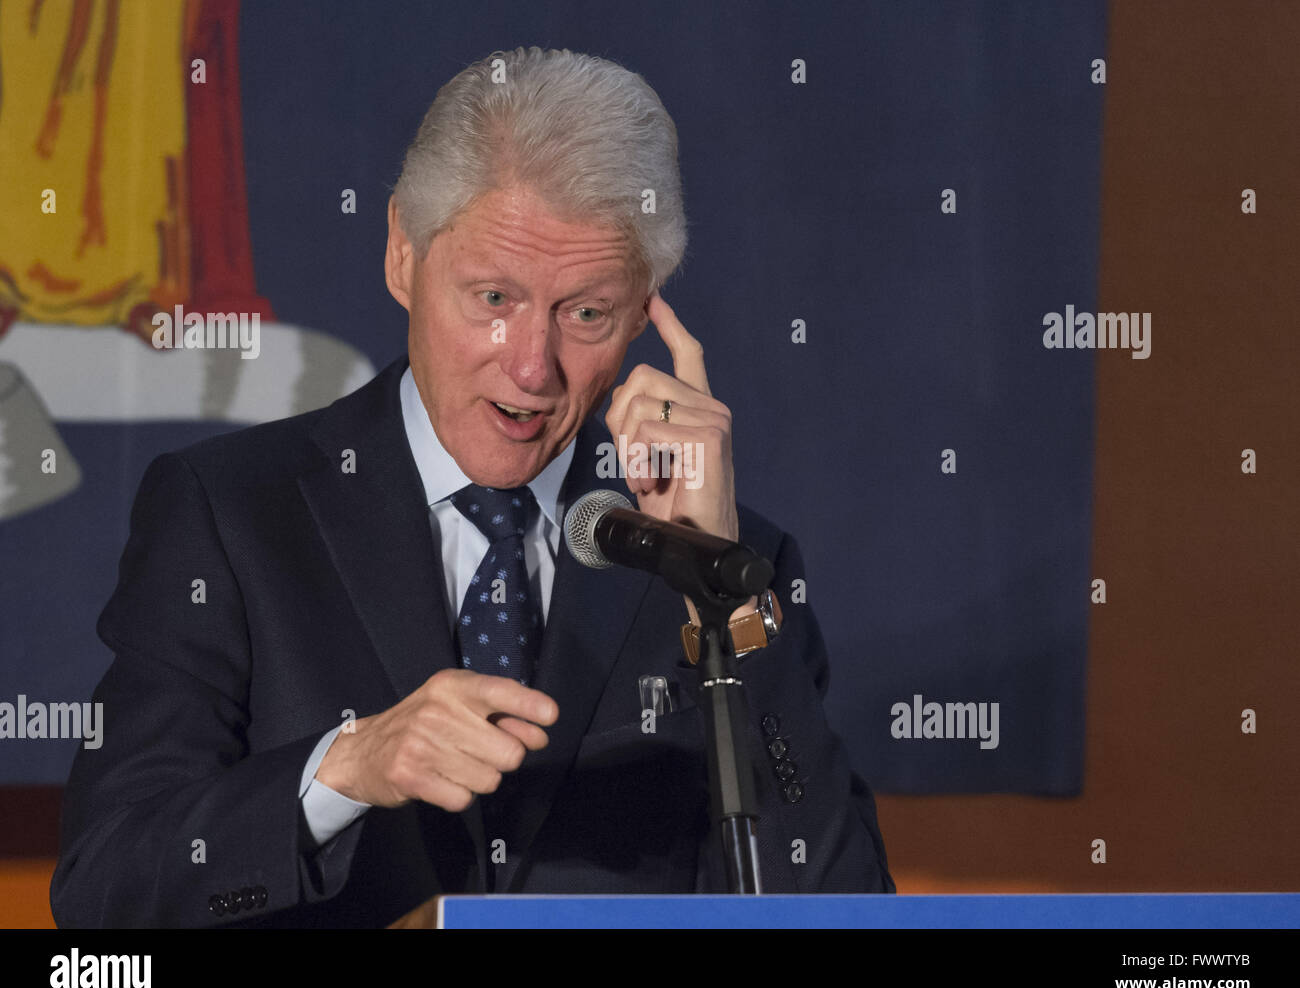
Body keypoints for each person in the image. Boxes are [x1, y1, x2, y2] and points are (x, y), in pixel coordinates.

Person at [50, 46, 893, 928]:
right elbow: (105, 891)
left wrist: (718, 598)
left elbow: (845, 909)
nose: (532, 367)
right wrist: (343, 768)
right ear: (401, 258)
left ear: (647, 312)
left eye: (587, 313)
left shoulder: (718, 562)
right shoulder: (230, 516)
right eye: (493, 297)